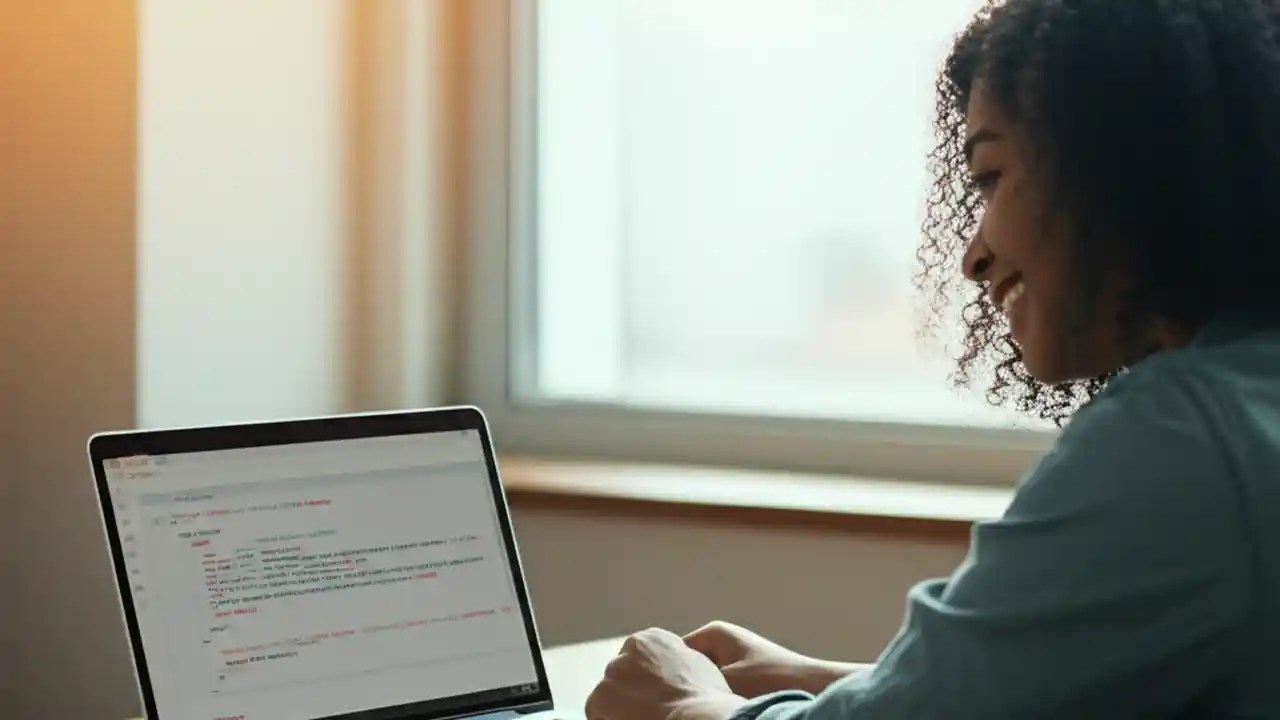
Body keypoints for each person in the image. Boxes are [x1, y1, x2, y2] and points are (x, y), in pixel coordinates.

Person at [583, 0, 1280, 718]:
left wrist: (684, 706)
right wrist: (826, 679)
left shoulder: (1184, 439)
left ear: (1123, 163)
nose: (975, 257)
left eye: (990, 177)